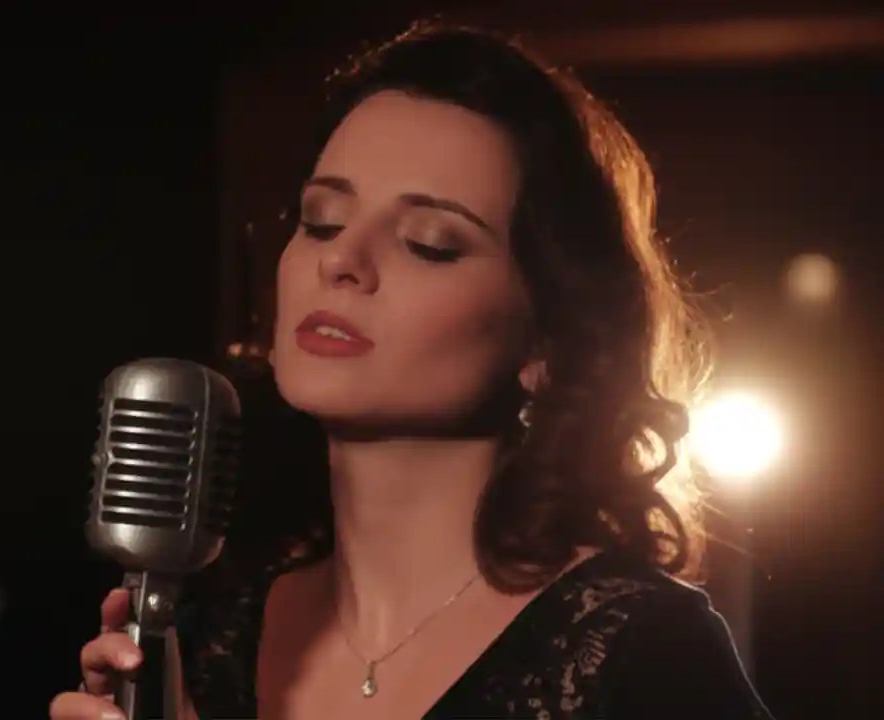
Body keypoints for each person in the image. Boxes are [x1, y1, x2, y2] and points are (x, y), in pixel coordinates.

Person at [50, 16, 777, 720]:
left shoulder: (641, 652)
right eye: (322, 221)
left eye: (429, 243)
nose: (341, 261)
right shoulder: (207, 637)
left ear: (546, 345)